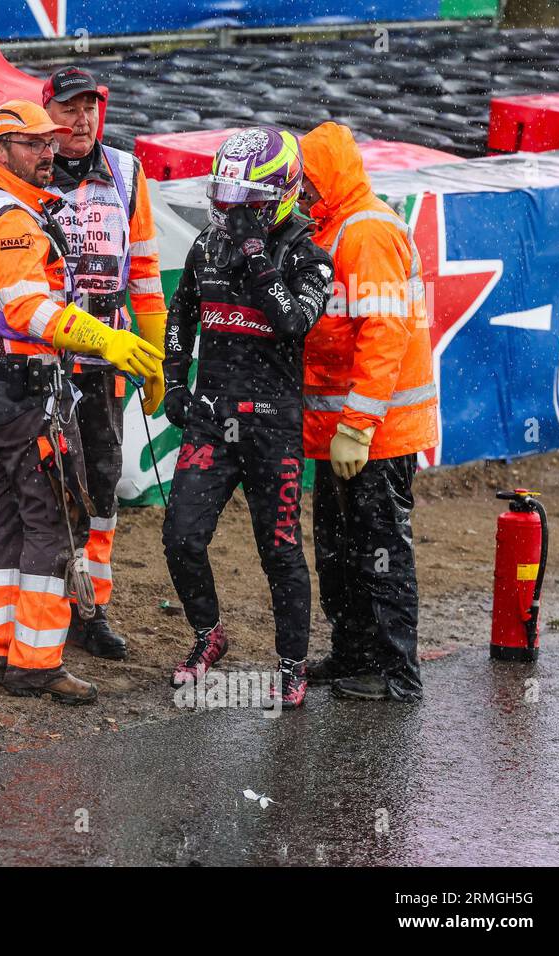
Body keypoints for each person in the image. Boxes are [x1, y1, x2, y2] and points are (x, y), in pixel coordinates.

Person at [0, 100, 164, 704]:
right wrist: (108, 339)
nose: (50, 153)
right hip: (22, 388)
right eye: (35, 144)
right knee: (52, 518)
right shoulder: (12, 220)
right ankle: (36, 661)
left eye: (50, 143)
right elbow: (28, 310)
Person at [160, 126, 333, 708]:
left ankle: (291, 664)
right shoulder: (207, 245)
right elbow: (180, 311)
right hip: (211, 418)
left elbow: (292, 323)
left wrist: (260, 261)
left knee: (279, 551)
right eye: (226, 199)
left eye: (245, 204)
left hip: (271, 427)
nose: (232, 214)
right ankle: (209, 636)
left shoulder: (311, 256)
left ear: (280, 195)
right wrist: (174, 380)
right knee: (181, 537)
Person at [298, 121, 437, 703]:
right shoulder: (331, 226)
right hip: (344, 431)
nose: (296, 193)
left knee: (380, 552)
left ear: (327, 177)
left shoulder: (367, 231)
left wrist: (357, 425)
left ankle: (396, 671)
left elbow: (384, 334)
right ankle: (354, 651)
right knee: (338, 548)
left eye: (305, 181)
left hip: (374, 432)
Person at [42, 67, 168, 661]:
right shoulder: (28, 169)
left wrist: (155, 354)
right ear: (48, 114)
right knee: (49, 488)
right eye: (69, 107)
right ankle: (46, 609)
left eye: (90, 106)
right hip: (41, 359)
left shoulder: (126, 171)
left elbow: (144, 271)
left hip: (105, 364)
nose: (82, 117)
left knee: (103, 485)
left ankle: (93, 608)